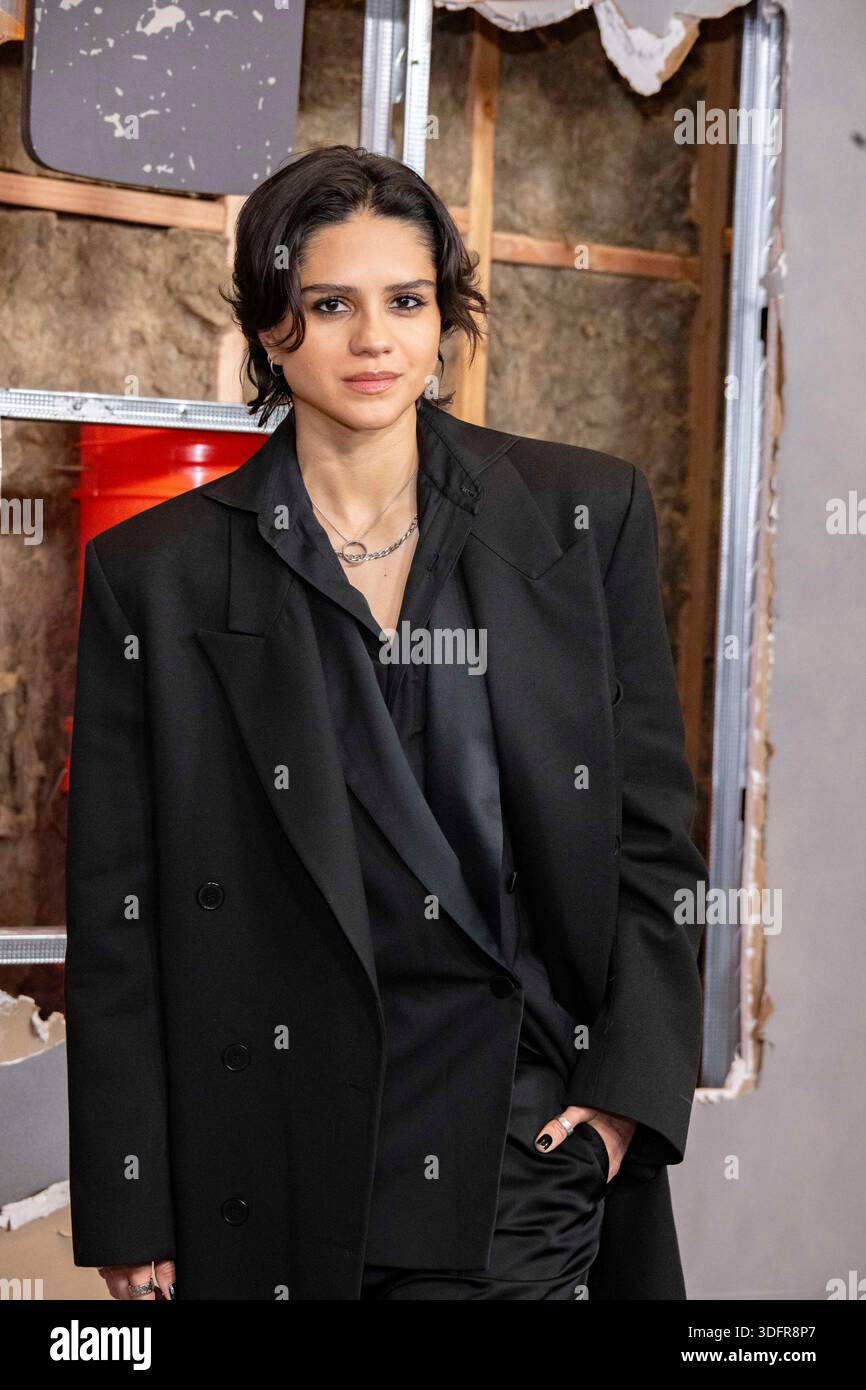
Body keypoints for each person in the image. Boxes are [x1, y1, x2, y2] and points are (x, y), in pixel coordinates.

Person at [64, 144, 707, 1301]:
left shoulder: (578, 515)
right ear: (271, 328)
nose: (374, 340)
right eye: (329, 304)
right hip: (268, 1147)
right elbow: (123, 915)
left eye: (406, 301)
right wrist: (130, 1198)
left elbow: (650, 828)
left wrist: (626, 1095)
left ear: (442, 318)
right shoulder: (152, 579)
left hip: (522, 1141)